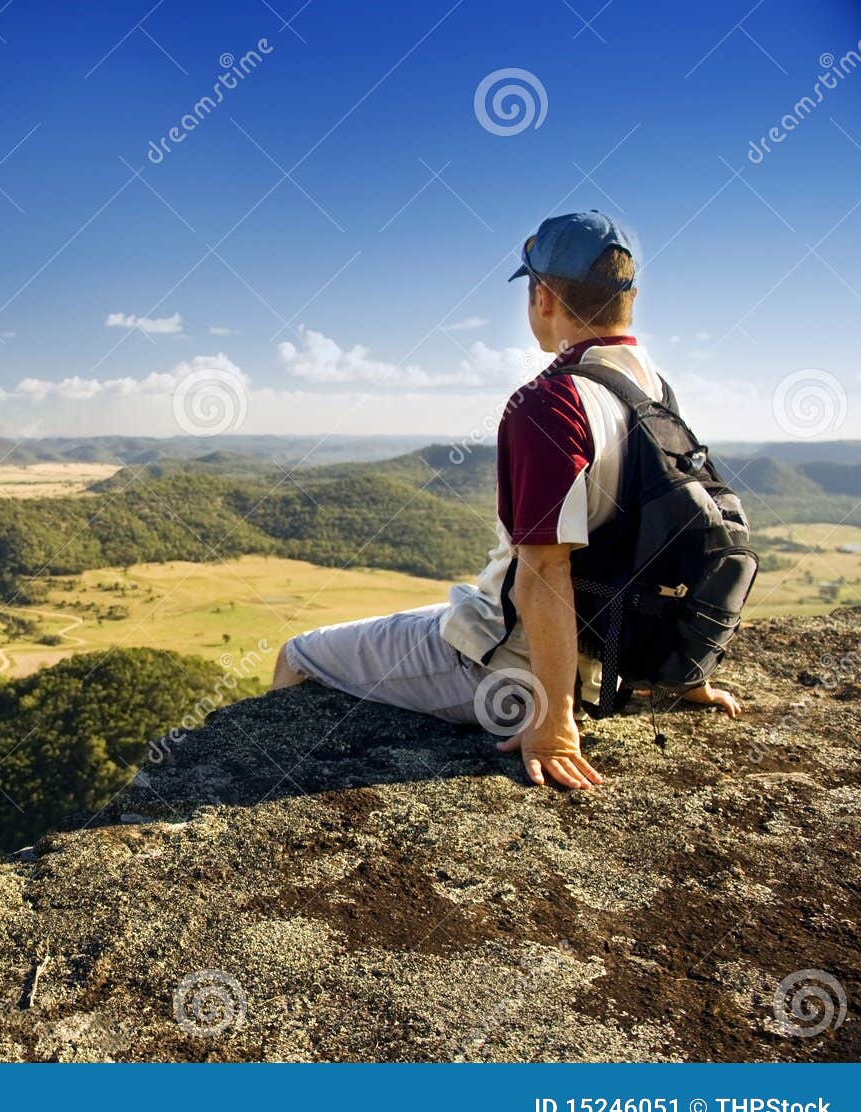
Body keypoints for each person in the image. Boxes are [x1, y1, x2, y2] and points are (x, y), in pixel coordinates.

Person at [273, 210, 742, 790]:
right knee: (428, 614)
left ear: (543, 297)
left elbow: (545, 569)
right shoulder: (656, 394)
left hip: (506, 667)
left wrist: (553, 723)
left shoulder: (552, 403)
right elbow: (687, 526)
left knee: (299, 653)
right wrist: (684, 670)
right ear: (631, 297)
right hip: (609, 663)